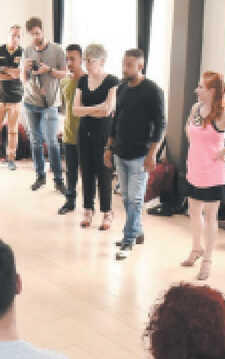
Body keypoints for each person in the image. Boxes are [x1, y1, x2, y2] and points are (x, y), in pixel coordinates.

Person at [181, 72, 225, 279]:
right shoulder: (196, 109)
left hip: (214, 172)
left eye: (201, 87)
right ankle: (196, 249)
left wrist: (224, 150)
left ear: (212, 91)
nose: (197, 90)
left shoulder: (224, 114)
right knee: (194, 211)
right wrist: (197, 147)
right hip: (194, 168)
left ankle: (208, 260)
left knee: (210, 215)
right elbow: (188, 128)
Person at [108, 49, 166, 261]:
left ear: (140, 66)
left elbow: (161, 125)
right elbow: (116, 120)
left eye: (130, 65)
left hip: (141, 155)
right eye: (124, 63)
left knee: (135, 199)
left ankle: (128, 240)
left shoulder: (153, 91)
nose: (125, 68)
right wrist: (109, 148)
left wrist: (153, 154)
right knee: (126, 197)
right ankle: (137, 231)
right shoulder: (122, 88)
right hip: (120, 153)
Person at [72, 43, 118, 232]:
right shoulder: (82, 81)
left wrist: (87, 110)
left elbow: (108, 110)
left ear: (102, 61)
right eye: (85, 60)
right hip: (84, 132)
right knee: (87, 170)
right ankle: (88, 209)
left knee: (104, 172)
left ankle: (107, 212)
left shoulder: (112, 81)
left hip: (104, 133)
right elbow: (75, 110)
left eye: (90, 61)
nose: (87, 64)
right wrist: (95, 109)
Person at [21, 16, 67, 194]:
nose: (35, 37)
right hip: (31, 101)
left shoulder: (56, 50)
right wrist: (24, 69)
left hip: (50, 103)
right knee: (35, 141)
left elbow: (64, 74)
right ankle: (40, 176)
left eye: (38, 33)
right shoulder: (26, 51)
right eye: (32, 34)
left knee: (52, 142)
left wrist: (48, 70)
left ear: (43, 30)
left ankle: (58, 179)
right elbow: (23, 80)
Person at [0, 25, 24, 170]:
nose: (15, 39)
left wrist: (3, 69)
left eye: (18, 36)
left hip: (15, 99)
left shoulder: (23, 53)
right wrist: (11, 72)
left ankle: (11, 158)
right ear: (8, 35)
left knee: (13, 131)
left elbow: (20, 74)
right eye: (13, 35)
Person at [56, 44, 83, 216]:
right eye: (67, 59)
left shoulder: (88, 81)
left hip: (86, 136)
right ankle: (70, 201)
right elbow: (65, 109)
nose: (70, 62)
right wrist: (62, 128)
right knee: (71, 171)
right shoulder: (64, 81)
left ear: (81, 59)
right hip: (69, 134)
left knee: (87, 173)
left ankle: (89, 206)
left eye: (73, 58)